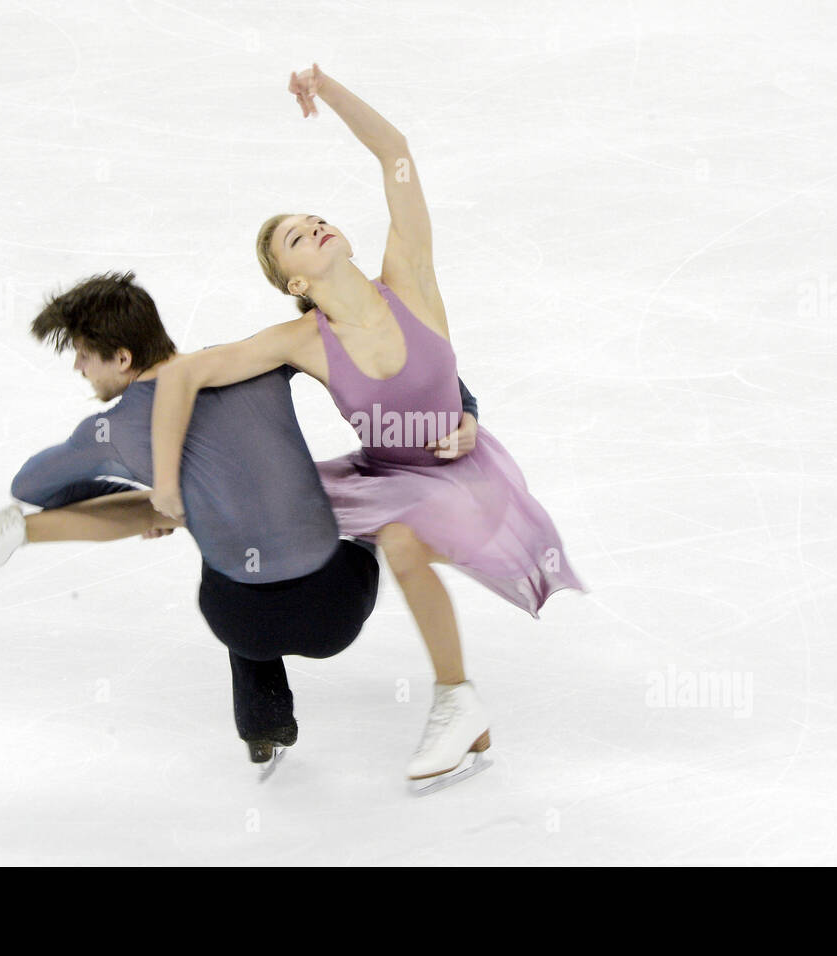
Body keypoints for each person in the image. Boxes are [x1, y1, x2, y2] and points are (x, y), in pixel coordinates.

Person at [147, 65, 584, 790]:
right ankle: (278, 685)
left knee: (408, 541)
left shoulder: (409, 274)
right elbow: (189, 373)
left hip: (456, 478)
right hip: (380, 480)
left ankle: (454, 700)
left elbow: (397, 153)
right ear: (294, 283)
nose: (312, 225)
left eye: (313, 218)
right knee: (245, 509)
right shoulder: (303, 341)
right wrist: (165, 483)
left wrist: (329, 90)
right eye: (294, 237)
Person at [0, 271, 484, 771]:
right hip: (337, 609)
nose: (79, 367)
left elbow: (29, 486)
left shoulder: (108, 431)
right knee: (333, 495)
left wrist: (148, 490)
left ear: (123, 358)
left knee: (209, 527)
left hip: (239, 620)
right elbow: (379, 358)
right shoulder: (249, 363)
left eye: (83, 353)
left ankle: (263, 723)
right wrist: (463, 404)